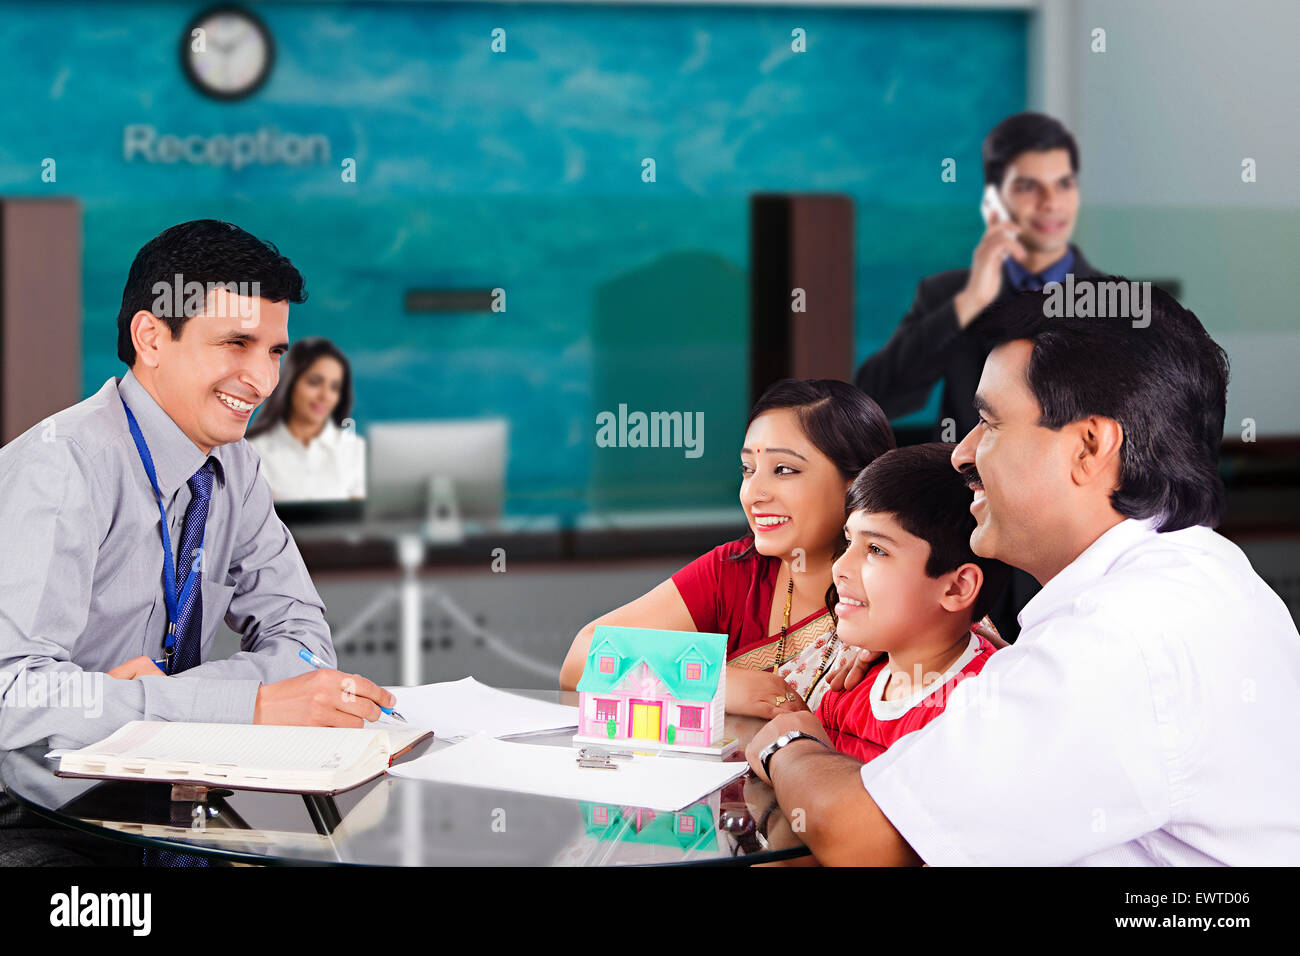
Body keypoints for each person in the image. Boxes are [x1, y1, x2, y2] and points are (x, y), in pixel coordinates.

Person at [746, 280, 1300, 865]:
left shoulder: (1121, 639)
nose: (962, 453)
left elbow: (863, 837)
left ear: (1089, 448)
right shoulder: (1201, 577)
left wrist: (792, 742)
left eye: (991, 423)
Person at [0, 219, 394, 758]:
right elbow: (13, 695)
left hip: (167, 786)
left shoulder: (236, 467)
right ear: (152, 338)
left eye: (275, 351)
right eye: (236, 343)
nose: (263, 381)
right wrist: (248, 707)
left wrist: (164, 700)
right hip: (34, 808)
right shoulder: (62, 464)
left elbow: (305, 644)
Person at [856, 112, 1103, 643]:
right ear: (995, 200)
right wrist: (966, 304)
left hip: (1067, 532)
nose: (1050, 204)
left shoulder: (1110, 305)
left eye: (1063, 185)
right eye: (1028, 187)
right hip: (968, 528)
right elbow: (875, 398)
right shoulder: (950, 295)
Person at [560, 379, 896, 719]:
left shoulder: (907, 590)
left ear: (859, 484)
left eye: (783, 470)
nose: (753, 494)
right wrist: (719, 683)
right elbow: (582, 660)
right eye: (748, 470)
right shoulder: (735, 569)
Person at [780, 443, 1010, 755]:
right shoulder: (845, 688)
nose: (839, 567)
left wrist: (787, 750)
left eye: (876, 550)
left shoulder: (977, 714)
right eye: (848, 542)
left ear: (957, 588)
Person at [245, 337, 366, 501]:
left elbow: (364, 520)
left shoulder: (355, 450)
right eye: (314, 382)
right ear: (291, 383)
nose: (325, 396)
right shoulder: (253, 452)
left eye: (334, 387)